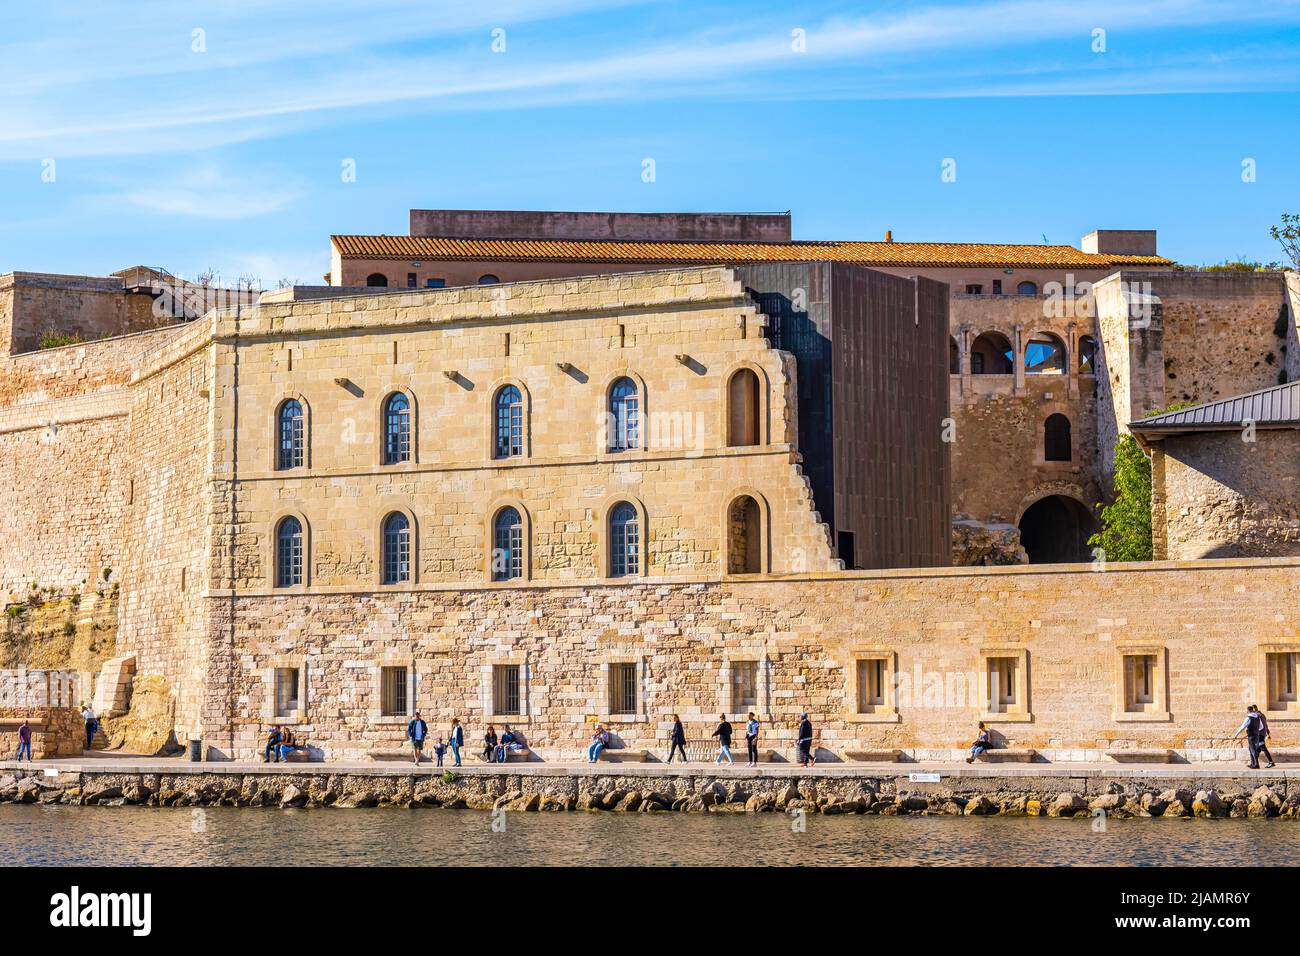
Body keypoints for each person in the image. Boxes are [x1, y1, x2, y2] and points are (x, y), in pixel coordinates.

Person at [1233, 705, 1276, 769]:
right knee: (1256, 749)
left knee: (1261, 748)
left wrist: (1254, 731)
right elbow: (1264, 725)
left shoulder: (1257, 716)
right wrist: (1267, 733)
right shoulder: (1261, 715)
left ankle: (1269, 762)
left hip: (1260, 735)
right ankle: (1254, 763)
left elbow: (1244, 727)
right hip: (1260, 734)